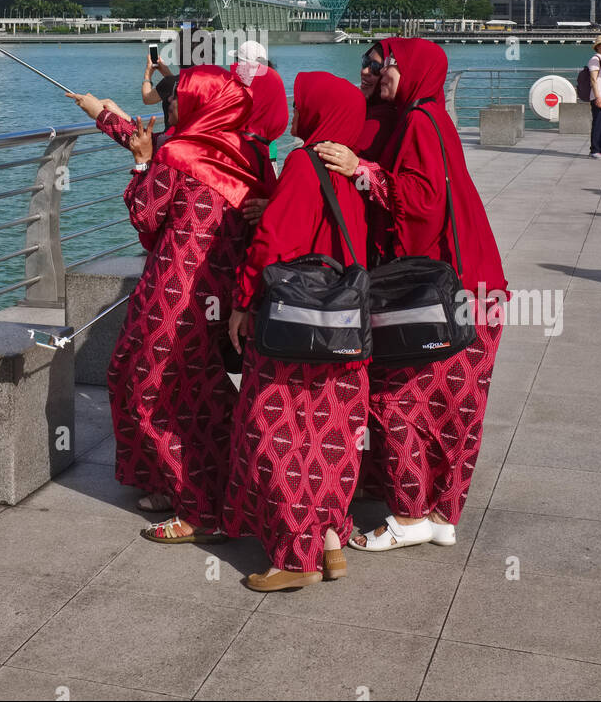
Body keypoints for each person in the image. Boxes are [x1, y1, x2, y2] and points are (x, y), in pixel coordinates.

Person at [317, 37, 508, 552]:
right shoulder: (430, 116)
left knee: (395, 400)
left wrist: (361, 170)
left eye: (389, 65)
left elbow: (421, 203)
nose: (382, 73)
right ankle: (444, 514)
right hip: (477, 287)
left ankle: (408, 516)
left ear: (415, 69)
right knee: (454, 411)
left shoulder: (420, 122)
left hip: (446, 290)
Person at [103, 66, 275, 537]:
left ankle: (198, 508)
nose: (168, 103)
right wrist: (110, 119)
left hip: (172, 291)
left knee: (143, 387)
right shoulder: (252, 152)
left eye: (176, 95)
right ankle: (196, 486)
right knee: (200, 390)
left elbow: (145, 219)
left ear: (202, 101)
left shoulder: (177, 152)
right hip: (226, 291)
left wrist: (141, 164)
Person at [220, 73, 371, 591]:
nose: (296, 111)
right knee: (329, 435)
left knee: (277, 433)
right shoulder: (346, 166)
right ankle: (330, 543)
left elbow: (272, 242)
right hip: (342, 328)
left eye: (302, 103)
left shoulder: (307, 162)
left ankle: (294, 558)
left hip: (296, 323)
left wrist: (242, 302)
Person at [228, 39, 289, 166]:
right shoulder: (274, 81)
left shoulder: (239, 84)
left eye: (236, 59)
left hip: (242, 152)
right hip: (268, 152)